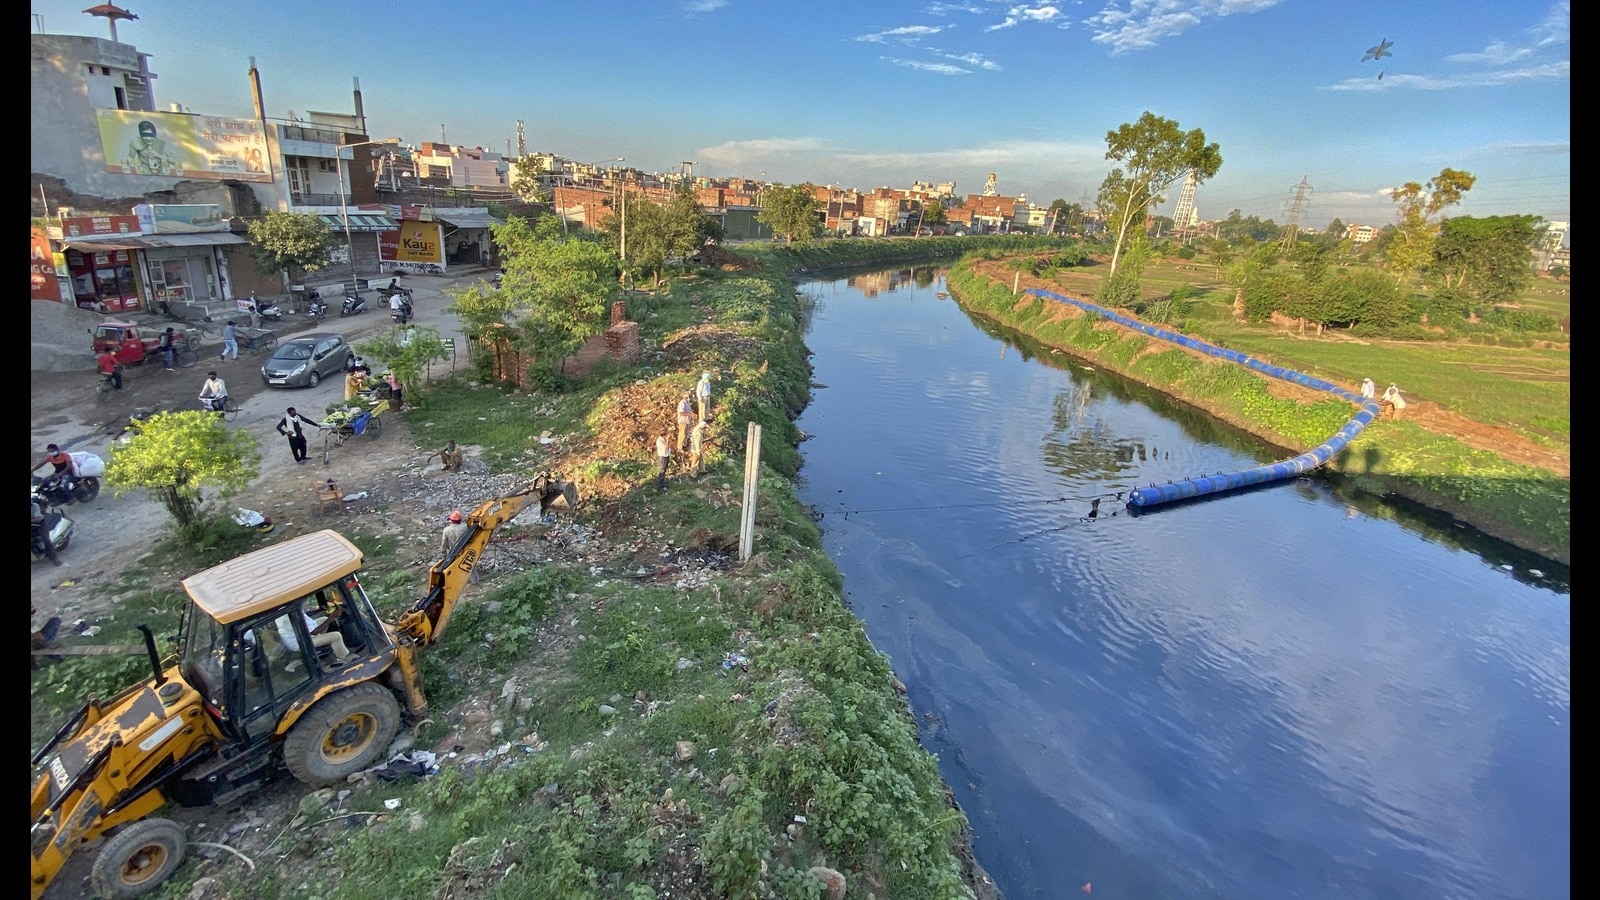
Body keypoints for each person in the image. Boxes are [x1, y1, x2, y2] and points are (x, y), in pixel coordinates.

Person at [31, 498, 63, 566]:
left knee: (46, 539)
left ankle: (55, 558)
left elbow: (37, 518)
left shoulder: (35, 506)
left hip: (40, 525)